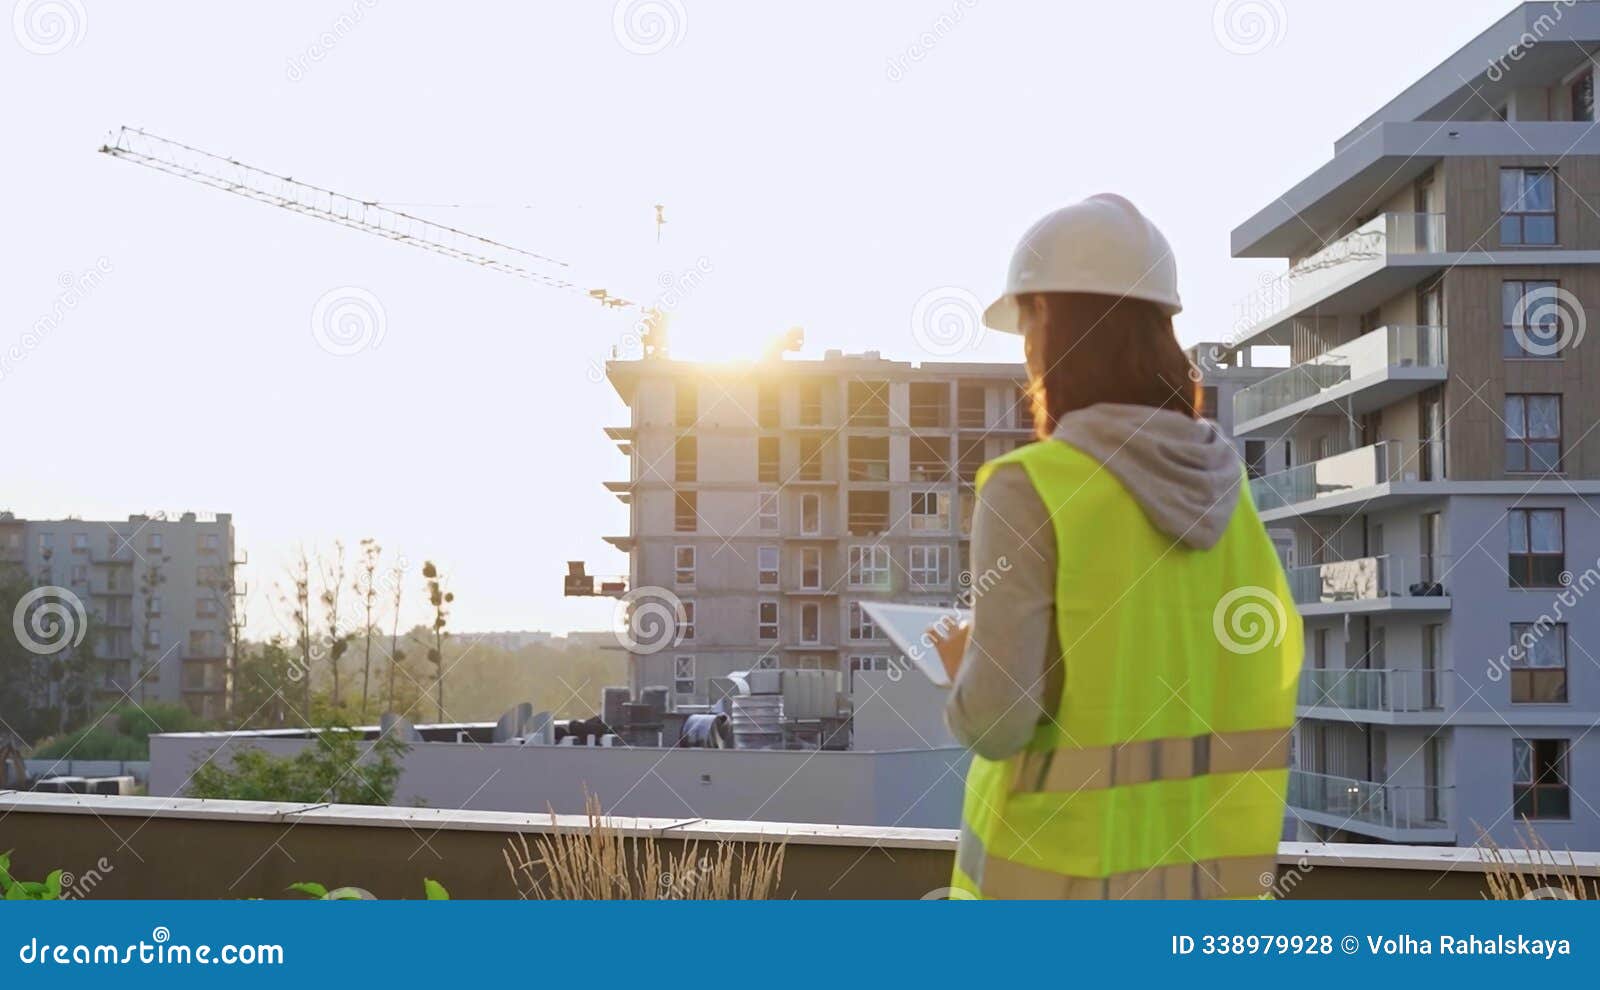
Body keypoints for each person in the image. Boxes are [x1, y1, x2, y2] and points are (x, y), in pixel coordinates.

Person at [930, 194, 1302, 900]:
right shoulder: (1230, 493)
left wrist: (962, 668)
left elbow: (999, 723)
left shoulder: (1030, 487)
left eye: (1027, 325)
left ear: (1044, 321)